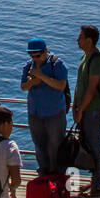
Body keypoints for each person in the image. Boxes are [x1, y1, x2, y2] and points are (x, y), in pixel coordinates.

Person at [20, 37, 69, 174]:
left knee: (56, 144)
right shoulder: (28, 66)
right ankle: (44, 171)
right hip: (35, 112)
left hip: (54, 112)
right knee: (39, 144)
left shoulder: (57, 64)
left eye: (38, 55)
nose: (35, 59)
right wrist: (31, 83)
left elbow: (61, 85)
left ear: (46, 51)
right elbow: (23, 86)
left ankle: (57, 173)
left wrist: (41, 77)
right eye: (32, 56)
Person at [72, 24, 100, 198]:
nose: (77, 40)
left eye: (80, 37)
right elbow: (80, 84)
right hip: (85, 109)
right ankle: (95, 181)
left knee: (94, 147)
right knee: (87, 145)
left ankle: (99, 187)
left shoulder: (97, 60)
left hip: (92, 110)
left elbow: (91, 89)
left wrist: (81, 109)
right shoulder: (85, 57)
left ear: (89, 40)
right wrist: (74, 106)